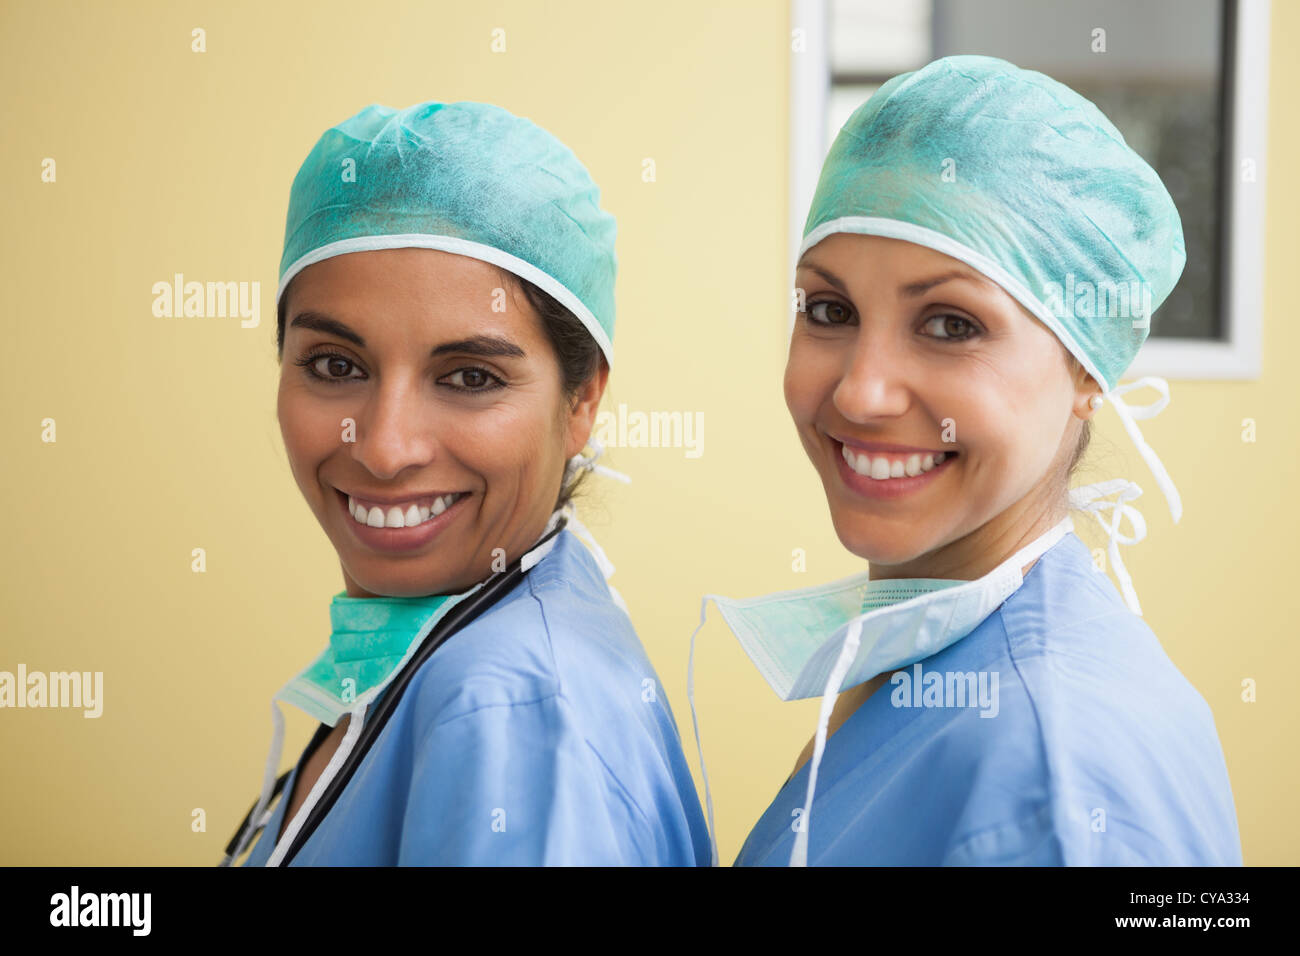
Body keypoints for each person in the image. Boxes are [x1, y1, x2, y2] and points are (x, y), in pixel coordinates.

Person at [688, 56, 1242, 866]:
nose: (862, 392)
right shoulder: (925, 660)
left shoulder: (1059, 778)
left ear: (1088, 368)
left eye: (951, 324)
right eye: (829, 310)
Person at [225, 100, 711, 865]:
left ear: (580, 400)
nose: (385, 449)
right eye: (335, 366)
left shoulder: (509, 711)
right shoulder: (431, 650)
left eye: (470, 377)